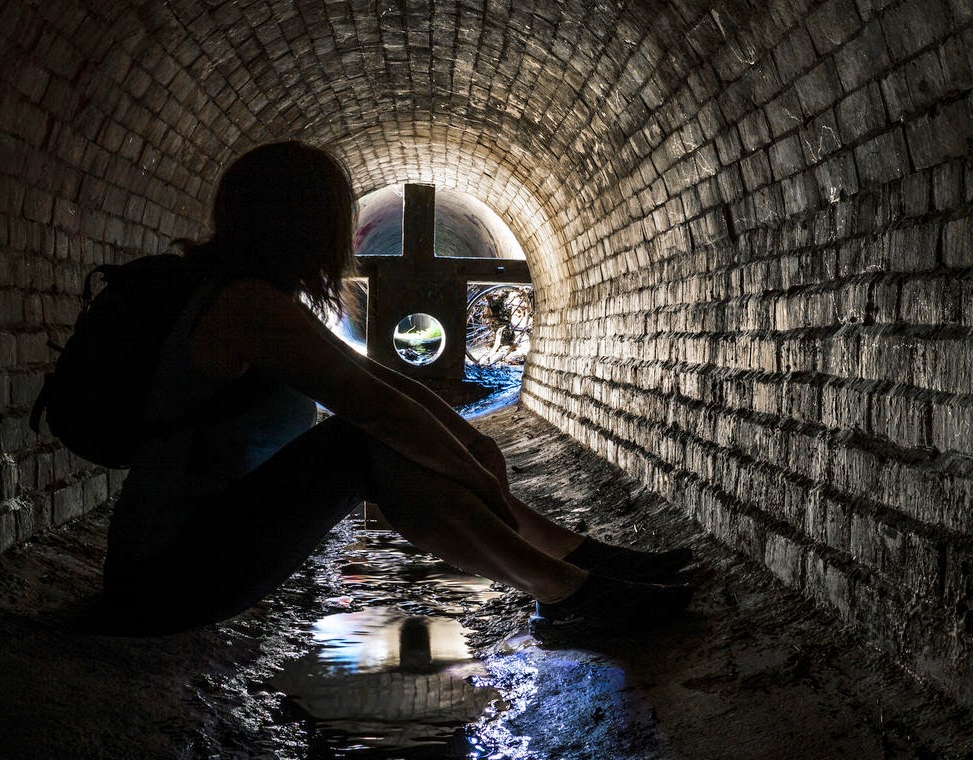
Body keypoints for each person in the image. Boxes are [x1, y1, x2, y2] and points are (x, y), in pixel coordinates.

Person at [102, 141, 693, 635]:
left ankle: (569, 560)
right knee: (363, 443)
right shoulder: (248, 309)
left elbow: (378, 380)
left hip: (182, 561)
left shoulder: (251, 297)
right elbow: (378, 410)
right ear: (303, 226)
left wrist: (471, 444)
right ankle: (564, 589)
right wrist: (474, 467)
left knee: (388, 438)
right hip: (161, 581)